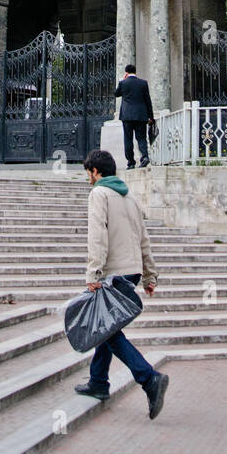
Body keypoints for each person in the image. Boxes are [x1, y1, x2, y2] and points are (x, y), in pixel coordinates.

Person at [74, 147, 168, 420]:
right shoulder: (130, 199)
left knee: (108, 330)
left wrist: (93, 274)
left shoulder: (99, 194)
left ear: (95, 171)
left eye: (88, 173)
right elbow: (144, 239)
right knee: (106, 327)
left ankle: (149, 378)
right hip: (133, 271)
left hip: (113, 272)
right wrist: (149, 276)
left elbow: (97, 236)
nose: (89, 178)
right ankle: (99, 382)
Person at [115, 62, 155, 169]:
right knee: (141, 138)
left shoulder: (123, 83)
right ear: (135, 72)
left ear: (126, 73)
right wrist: (151, 116)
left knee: (128, 139)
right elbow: (148, 100)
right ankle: (145, 157)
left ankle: (131, 162)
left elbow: (116, 94)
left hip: (127, 116)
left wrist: (121, 80)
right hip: (141, 115)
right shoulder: (143, 83)